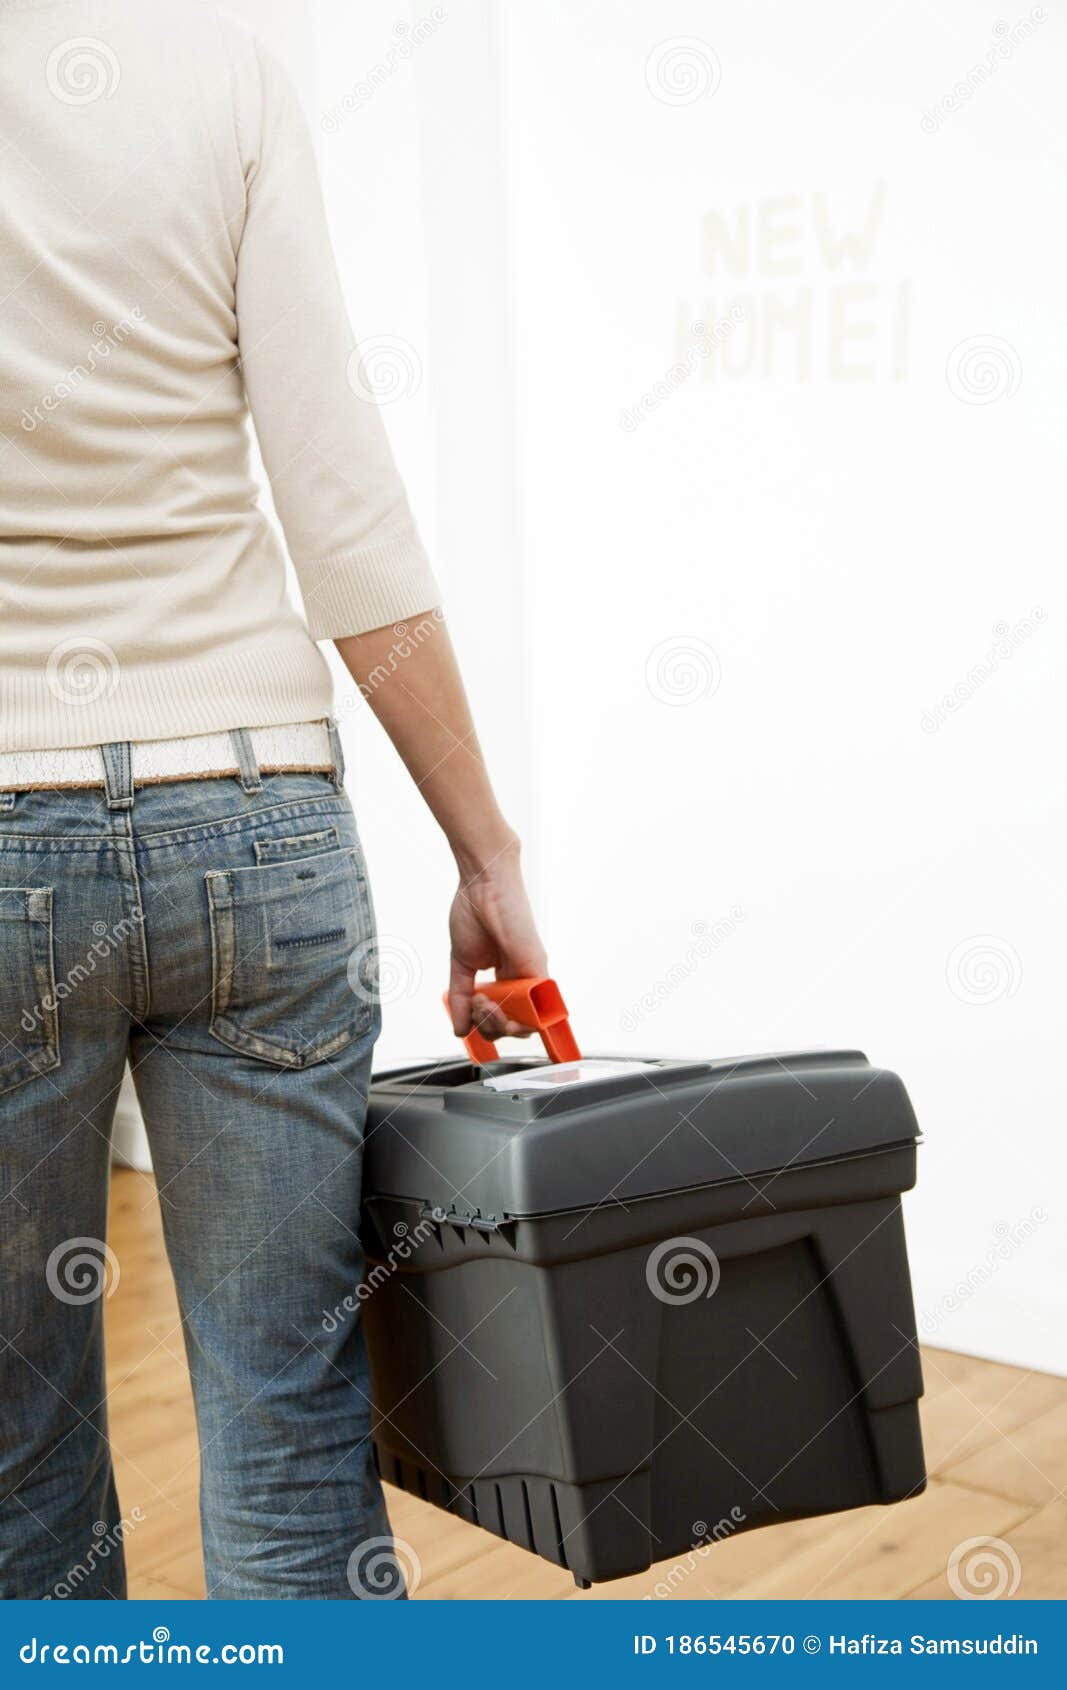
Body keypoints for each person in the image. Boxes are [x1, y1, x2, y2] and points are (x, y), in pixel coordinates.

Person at [0, 0, 545, 1599]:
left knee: (18, 1449)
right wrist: (484, 846)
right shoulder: (217, 68)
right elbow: (343, 504)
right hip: (257, 821)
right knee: (294, 1420)